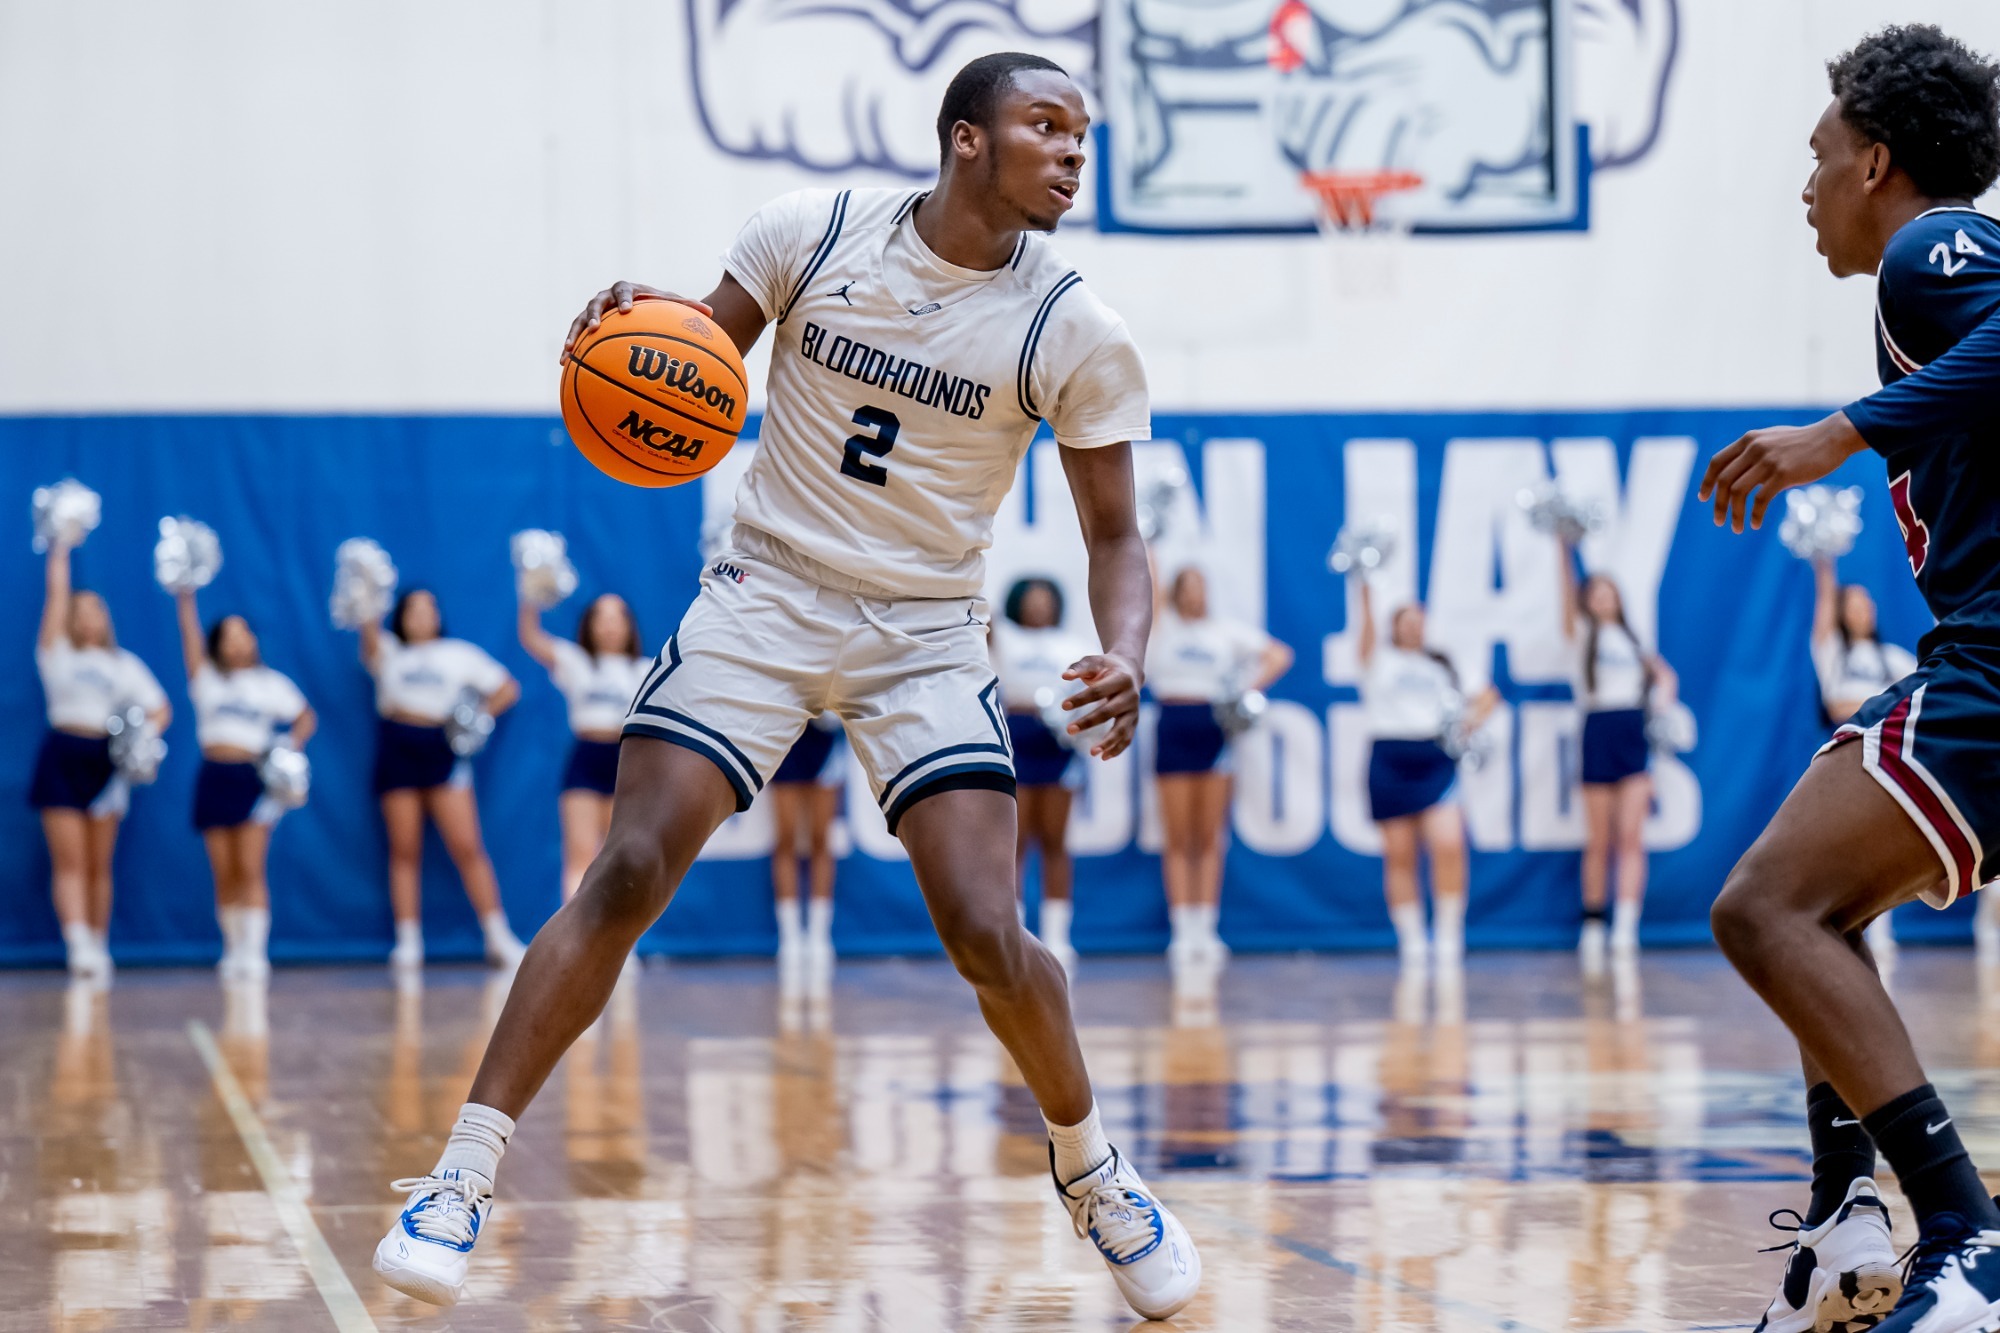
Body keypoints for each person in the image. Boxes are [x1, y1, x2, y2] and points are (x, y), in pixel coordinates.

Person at [372, 53, 1203, 1321]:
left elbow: (1113, 539)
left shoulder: (1073, 326)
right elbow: (693, 362)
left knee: (985, 926)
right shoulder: (808, 233)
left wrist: (1125, 657)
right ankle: (460, 1177)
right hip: (764, 591)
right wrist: (628, 329)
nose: (1072, 153)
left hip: (924, 629)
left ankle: (1090, 1169)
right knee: (631, 866)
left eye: (1082, 133)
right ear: (964, 139)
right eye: (1046, 127)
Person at [1698, 26, 2000, 1332]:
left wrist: (1844, 426)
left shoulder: (1939, 251)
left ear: (1876, 162)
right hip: (1974, 656)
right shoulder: (1929, 287)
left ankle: (1967, 1240)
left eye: (1819, 158)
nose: (1806, 187)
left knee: (1767, 908)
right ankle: (1845, 1218)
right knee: (1817, 882)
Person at [356, 587, 526, 971]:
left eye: (428, 608)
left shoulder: (460, 654)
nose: (421, 616)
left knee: (467, 846)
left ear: (438, 614)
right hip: (397, 747)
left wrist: (475, 720)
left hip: (443, 749)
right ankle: (408, 942)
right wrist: (365, 588)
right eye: (412, 609)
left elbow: (507, 689)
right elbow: (367, 641)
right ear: (400, 616)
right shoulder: (387, 651)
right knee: (404, 848)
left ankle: (498, 937)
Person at [29, 533, 170, 979]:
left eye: (97, 609)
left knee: (98, 863)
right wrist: (60, 547)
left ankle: (99, 941)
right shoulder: (56, 653)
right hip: (62, 755)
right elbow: (55, 593)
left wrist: (138, 739)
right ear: (70, 617)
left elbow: (160, 709)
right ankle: (77, 946)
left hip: (106, 762)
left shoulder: (122, 664)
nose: (89, 616)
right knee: (68, 860)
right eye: (81, 609)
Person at [1148, 565, 1292, 965]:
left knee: (1208, 835)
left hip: (1214, 730)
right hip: (1174, 726)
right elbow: (1149, 581)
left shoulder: (1225, 632)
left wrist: (1245, 688)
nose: (1195, 593)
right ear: (1176, 591)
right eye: (1188, 585)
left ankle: (1206, 929)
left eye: (1201, 585)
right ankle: (1181, 931)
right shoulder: (1162, 627)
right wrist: (1149, 538)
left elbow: (1279, 654)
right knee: (1177, 835)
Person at [175, 585, 315, 980]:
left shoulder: (271, 684)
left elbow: (306, 717)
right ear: (217, 644)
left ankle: (255, 951)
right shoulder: (206, 680)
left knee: (251, 866)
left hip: (253, 779)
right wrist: (185, 596)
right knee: (224, 870)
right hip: (214, 777)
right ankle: (233, 947)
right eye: (228, 636)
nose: (237, 643)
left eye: (244, 634)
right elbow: (188, 635)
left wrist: (287, 746)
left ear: (253, 641)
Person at [1355, 580, 1495, 971]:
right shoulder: (1377, 661)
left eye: (1420, 620)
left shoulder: (1443, 664)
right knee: (1399, 854)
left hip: (1434, 758)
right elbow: (1363, 630)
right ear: (1393, 626)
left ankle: (1449, 933)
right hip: (1389, 758)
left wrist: (1467, 724)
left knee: (1449, 843)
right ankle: (1412, 939)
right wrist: (1364, 581)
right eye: (1406, 621)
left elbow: (1486, 695)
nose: (1414, 627)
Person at [1558, 554, 1676, 969]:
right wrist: (1563, 545)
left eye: (1610, 593)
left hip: (1632, 731)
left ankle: (1626, 924)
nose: (1604, 600)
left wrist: (1661, 705)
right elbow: (1565, 601)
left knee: (1630, 837)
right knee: (1599, 838)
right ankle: (1593, 923)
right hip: (1597, 730)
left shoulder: (1632, 641)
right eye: (1596, 594)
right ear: (1586, 601)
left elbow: (1666, 677)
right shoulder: (1581, 636)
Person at [1811, 556, 1919, 962]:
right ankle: (1838, 926)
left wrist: (1860, 705)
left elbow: (1916, 699)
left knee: (1882, 847)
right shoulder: (1833, 653)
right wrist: (1825, 566)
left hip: (1887, 760)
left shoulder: (1893, 658)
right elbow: (1837, 706)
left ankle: (1881, 929)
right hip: (1843, 761)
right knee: (1841, 847)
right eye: (1853, 603)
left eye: (1867, 602)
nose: (1863, 609)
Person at [517, 592, 649, 905]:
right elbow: (531, 638)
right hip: (585, 761)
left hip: (625, 763)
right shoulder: (576, 661)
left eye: (617, 618)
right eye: (601, 618)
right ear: (588, 625)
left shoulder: (646, 669)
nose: (609, 626)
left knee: (622, 859)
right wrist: (531, 593)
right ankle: (575, 946)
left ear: (630, 627)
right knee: (581, 855)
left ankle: (622, 947)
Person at [994, 576, 1091, 970]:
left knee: (1054, 840)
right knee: (1014, 843)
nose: (1038, 606)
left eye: (1045, 599)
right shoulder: (1003, 637)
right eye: (1031, 599)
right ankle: (1014, 934)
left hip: (1057, 741)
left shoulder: (1072, 645)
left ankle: (1057, 937)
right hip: (1016, 735)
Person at [767, 720, 845, 979]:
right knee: (785, 839)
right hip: (788, 737)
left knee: (821, 840)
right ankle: (789, 940)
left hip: (824, 739)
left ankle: (819, 937)